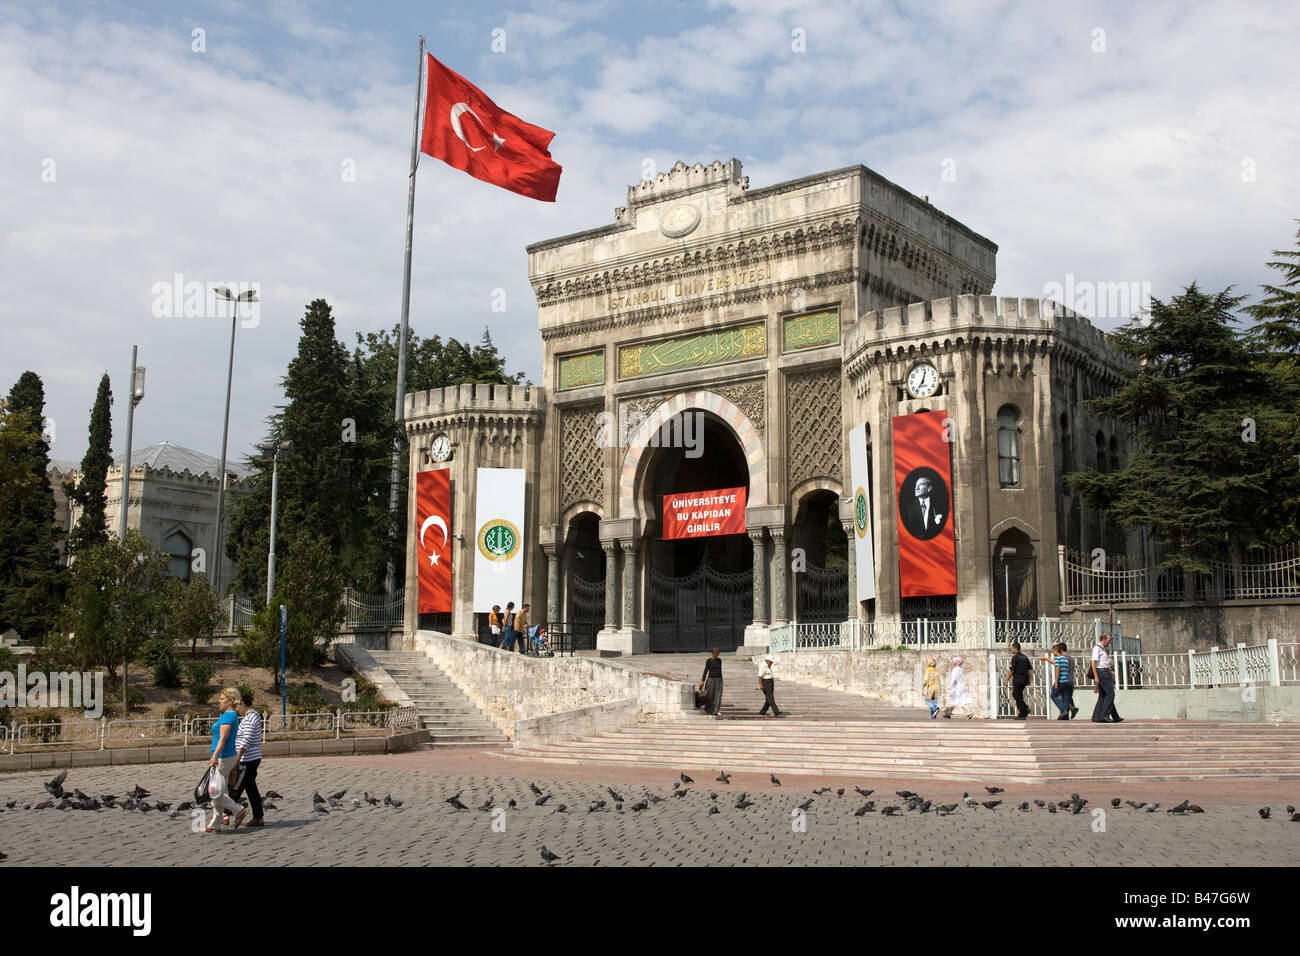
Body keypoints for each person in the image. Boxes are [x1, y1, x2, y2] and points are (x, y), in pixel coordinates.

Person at [206, 688, 243, 832]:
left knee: (215, 792)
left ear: (231, 701)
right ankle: (215, 824)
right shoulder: (230, 715)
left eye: (222, 699)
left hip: (223, 757)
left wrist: (215, 756)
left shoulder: (228, 716)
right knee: (221, 790)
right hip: (228, 756)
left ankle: (238, 809)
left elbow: (223, 738)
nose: (219, 701)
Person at [230, 690, 264, 829]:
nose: (236, 710)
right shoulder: (251, 716)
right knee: (250, 787)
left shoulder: (251, 718)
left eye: (237, 706)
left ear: (242, 704)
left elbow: (246, 741)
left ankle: (226, 812)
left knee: (237, 786)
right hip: (249, 757)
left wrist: (237, 759)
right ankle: (258, 816)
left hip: (248, 758)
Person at [900, 476, 947, 540]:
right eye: (916, 485)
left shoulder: (939, 506)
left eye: (921, 484)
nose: (916, 488)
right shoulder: (907, 507)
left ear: (929, 488)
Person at [1090, 633, 1123, 723]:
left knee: (1104, 695)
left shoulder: (1102, 649)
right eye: (1108, 640)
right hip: (1101, 671)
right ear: (1103, 640)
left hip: (1104, 671)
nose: (1109, 642)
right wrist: (1096, 677)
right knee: (1110, 693)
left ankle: (1097, 716)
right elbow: (1093, 662)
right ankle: (1104, 715)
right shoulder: (1097, 648)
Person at [1041, 643, 1077, 720]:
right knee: (1066, 698)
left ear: (1058, 650)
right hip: (1068, 681)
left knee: (1054, 695)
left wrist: (1056, 682)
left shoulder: (1060, 658)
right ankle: (1067, 714)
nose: (1052, 653)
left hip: (1062, 681)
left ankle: (1064, 711)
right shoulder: (1068, 658)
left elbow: (1057, 669)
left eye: (1053, 651)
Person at [1005, 642, 1032, 719]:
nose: (1011, 650)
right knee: (1018, 695)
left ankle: (1024, 711)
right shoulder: (1025, 657)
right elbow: (1030, 669)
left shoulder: (1015, 657)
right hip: (1024, 679)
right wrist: (1029, 679)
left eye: (1012, 648)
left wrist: (1007, 679)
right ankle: (1024, 711)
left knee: (1016, 695)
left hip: (1018, 679)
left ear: (1015, 648)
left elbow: (1012, 670)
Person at [699, 648, 724, 717]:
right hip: (711, 680)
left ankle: (716, 710)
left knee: (718, 695)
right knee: (710, 695)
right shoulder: (709, 661)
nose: (717, 655)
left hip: (719, 680)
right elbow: (705, 670)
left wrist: (721, 680)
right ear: (713, 654)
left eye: (718, 654)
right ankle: (708, 709)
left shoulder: (719, 660)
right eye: (716, 654)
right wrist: (702, 680)